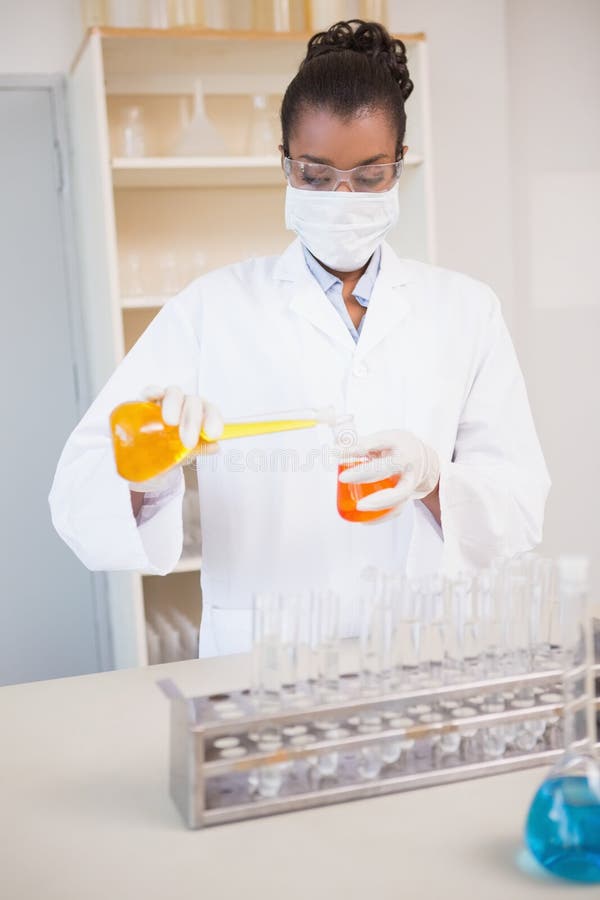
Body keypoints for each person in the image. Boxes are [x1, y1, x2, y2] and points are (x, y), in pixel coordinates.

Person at [49, 20, 550, 656]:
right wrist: (150, 463)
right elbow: (78, 497)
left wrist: (433, 481)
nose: (342, 196)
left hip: (421, 650)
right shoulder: (209, 309)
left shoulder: (466, 311)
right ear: (285, 163)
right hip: (260, 659)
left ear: (398, 164)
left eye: (369, 176)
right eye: (315, 175)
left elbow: (519, 506)